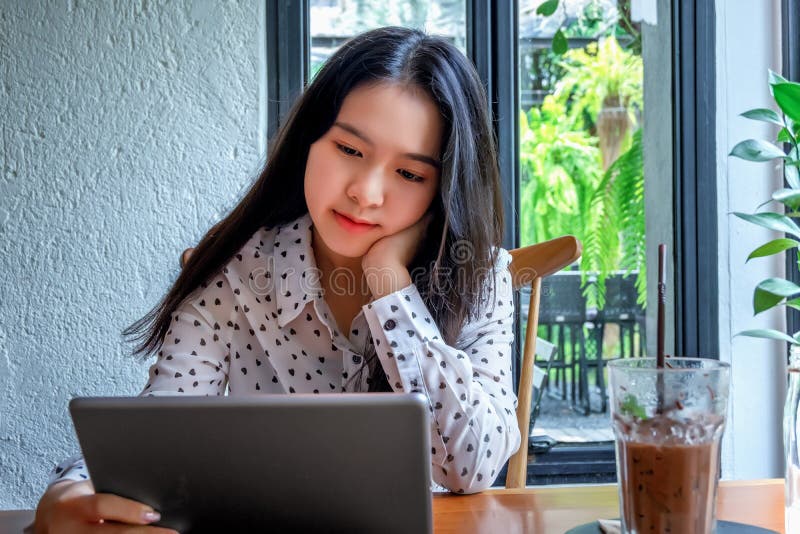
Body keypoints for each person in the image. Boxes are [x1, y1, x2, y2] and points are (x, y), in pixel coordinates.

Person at [33, 26, 520, 532]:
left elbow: (471, 468)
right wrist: (70, 491)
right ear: (308, 142)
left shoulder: (479, 276)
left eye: (410, 175)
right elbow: (160, 428)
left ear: (443, 190)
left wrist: (389, 284)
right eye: (350, 150)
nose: (366, 192)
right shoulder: (236, 273)